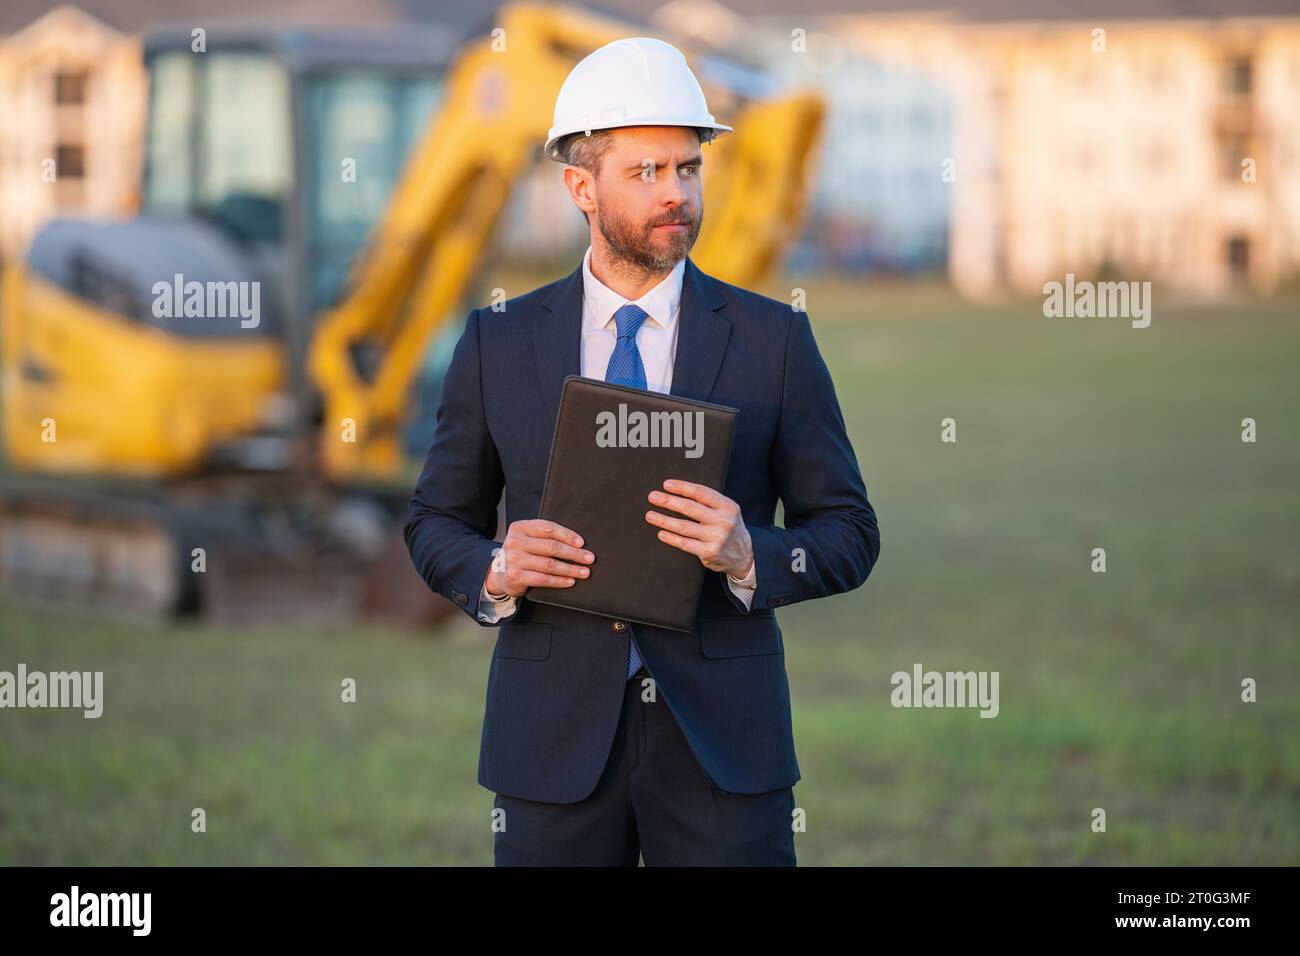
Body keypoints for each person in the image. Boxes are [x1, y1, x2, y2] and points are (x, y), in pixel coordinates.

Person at [405, 36, 880, 866]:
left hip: (725, 749)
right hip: (550, 749)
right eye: (647, 173)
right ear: (580, 187)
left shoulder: (774, 342)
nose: (677, 196)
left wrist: (748, 557)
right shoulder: (497, 343)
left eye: (688, 169)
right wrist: (495, 570)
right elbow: (434, 521)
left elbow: (848, 531)